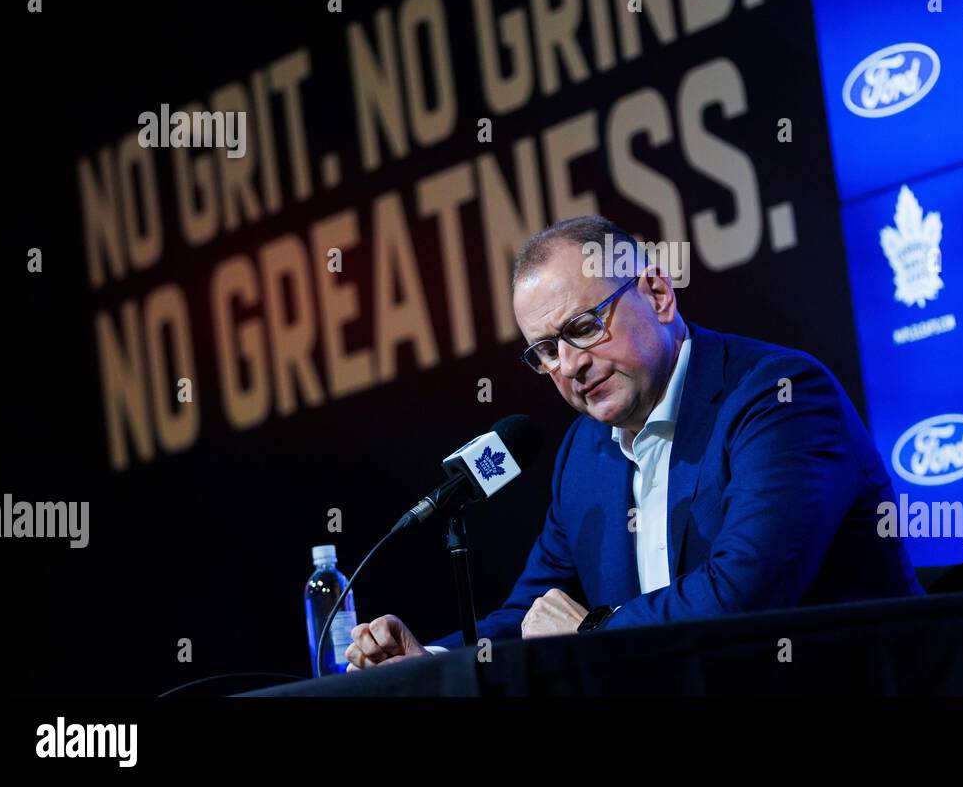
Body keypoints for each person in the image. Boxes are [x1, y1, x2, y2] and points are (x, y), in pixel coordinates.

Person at [345, 215, 922, 670]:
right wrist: (431, 660)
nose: (569, 365)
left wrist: (594, 632)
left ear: (657, 293)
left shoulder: (778, 399)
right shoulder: (584, 453)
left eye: (582, 327)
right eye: (545, 351)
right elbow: (532, 613)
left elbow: (744, 597)